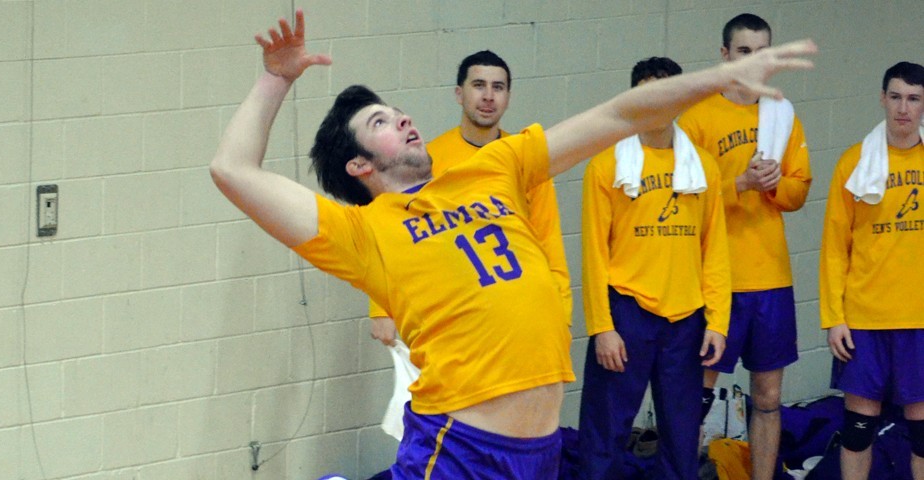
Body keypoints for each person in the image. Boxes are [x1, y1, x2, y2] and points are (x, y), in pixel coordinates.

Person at [209, 9, 815, 479]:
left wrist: (717, 80)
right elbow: (233, 170)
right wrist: (273, 78)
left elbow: (618, 116)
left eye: (398, 112)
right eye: (380, 123)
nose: (402, 120)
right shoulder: (363, 233)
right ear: (360, 168)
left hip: (542, 449)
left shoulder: (493, 165)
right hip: (462, 449)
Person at [578, 57, 730, 480]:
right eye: (649, 92)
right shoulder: (605, 166)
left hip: (686, 319)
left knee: (682, 439)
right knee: (604, 434)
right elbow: (593, 255)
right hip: (626, 315)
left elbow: (714, 248)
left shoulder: (704, 167)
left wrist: (718, 321)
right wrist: (602, 327)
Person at [678, 13, 812, 479]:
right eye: (743, 52)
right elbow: (684, 200)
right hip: (717, 278)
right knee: (695, 393)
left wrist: (773, 186)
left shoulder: (782, 113)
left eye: (762, 53)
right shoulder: (696, 116)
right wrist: (739, 182)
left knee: (769, 397)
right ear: (724, 56)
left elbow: (798, 192)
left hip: (770, 276)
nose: (753, 62)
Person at [369, 50, 571, 346]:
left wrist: (561, 315)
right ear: (459, 94)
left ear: (508, 97)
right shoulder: (428, 160)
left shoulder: (527, 159)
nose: (488, 96)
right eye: (478, 85)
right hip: (452, 314)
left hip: (518, 312)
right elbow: (390, 233)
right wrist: (380, 307)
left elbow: (549, 243)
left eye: (498, 87)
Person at [820, 61, 924, 480]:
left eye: (914, 99)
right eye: (896, 96)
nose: (904, 108)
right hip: (864, 319)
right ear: (882, 99)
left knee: (921, 435)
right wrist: (833, 318)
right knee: (858, 432)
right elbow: (833, 249)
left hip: (918, 319)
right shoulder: (853, 163)